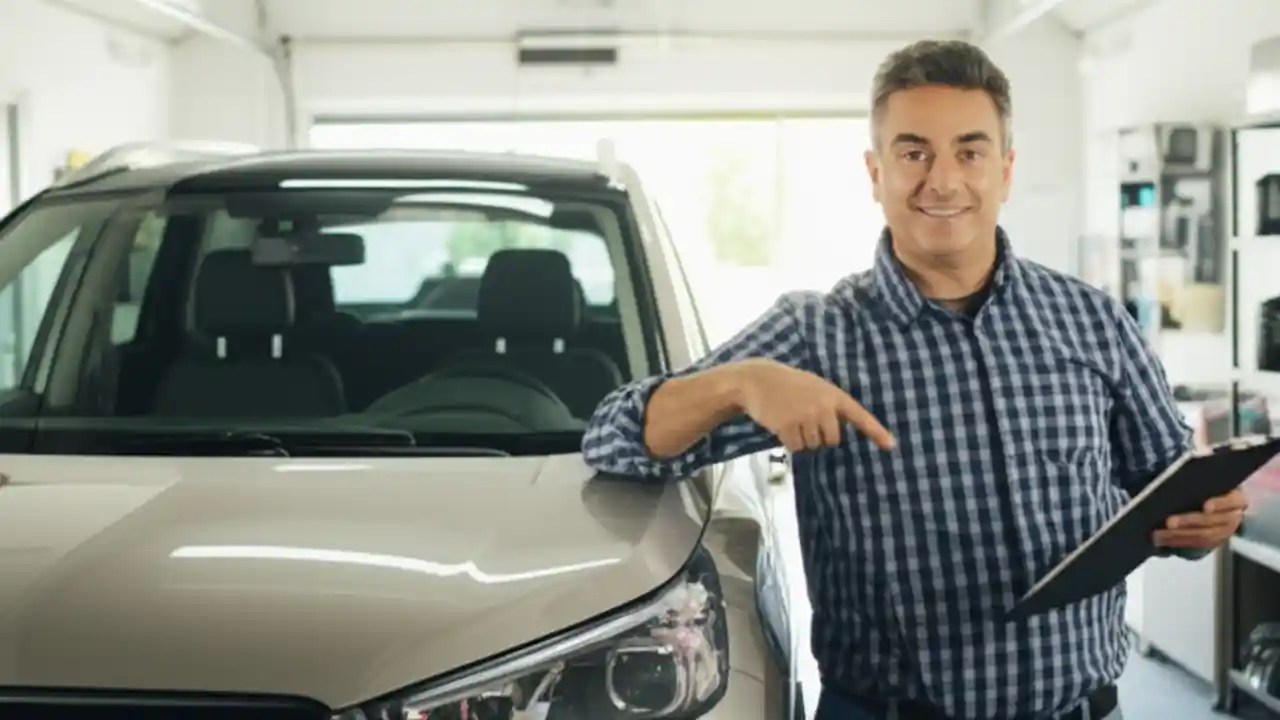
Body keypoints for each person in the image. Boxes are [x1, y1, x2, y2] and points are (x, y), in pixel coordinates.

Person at [580, 39, 1249, 720]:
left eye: (970, 151)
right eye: (913, 153)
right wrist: (741, 383)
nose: (943, 180)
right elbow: (613, 439)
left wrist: (1209, 522)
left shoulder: (1093, 320)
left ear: (1006, 169)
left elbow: (1172, 488)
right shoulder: (815, 334)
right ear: (875, 173)